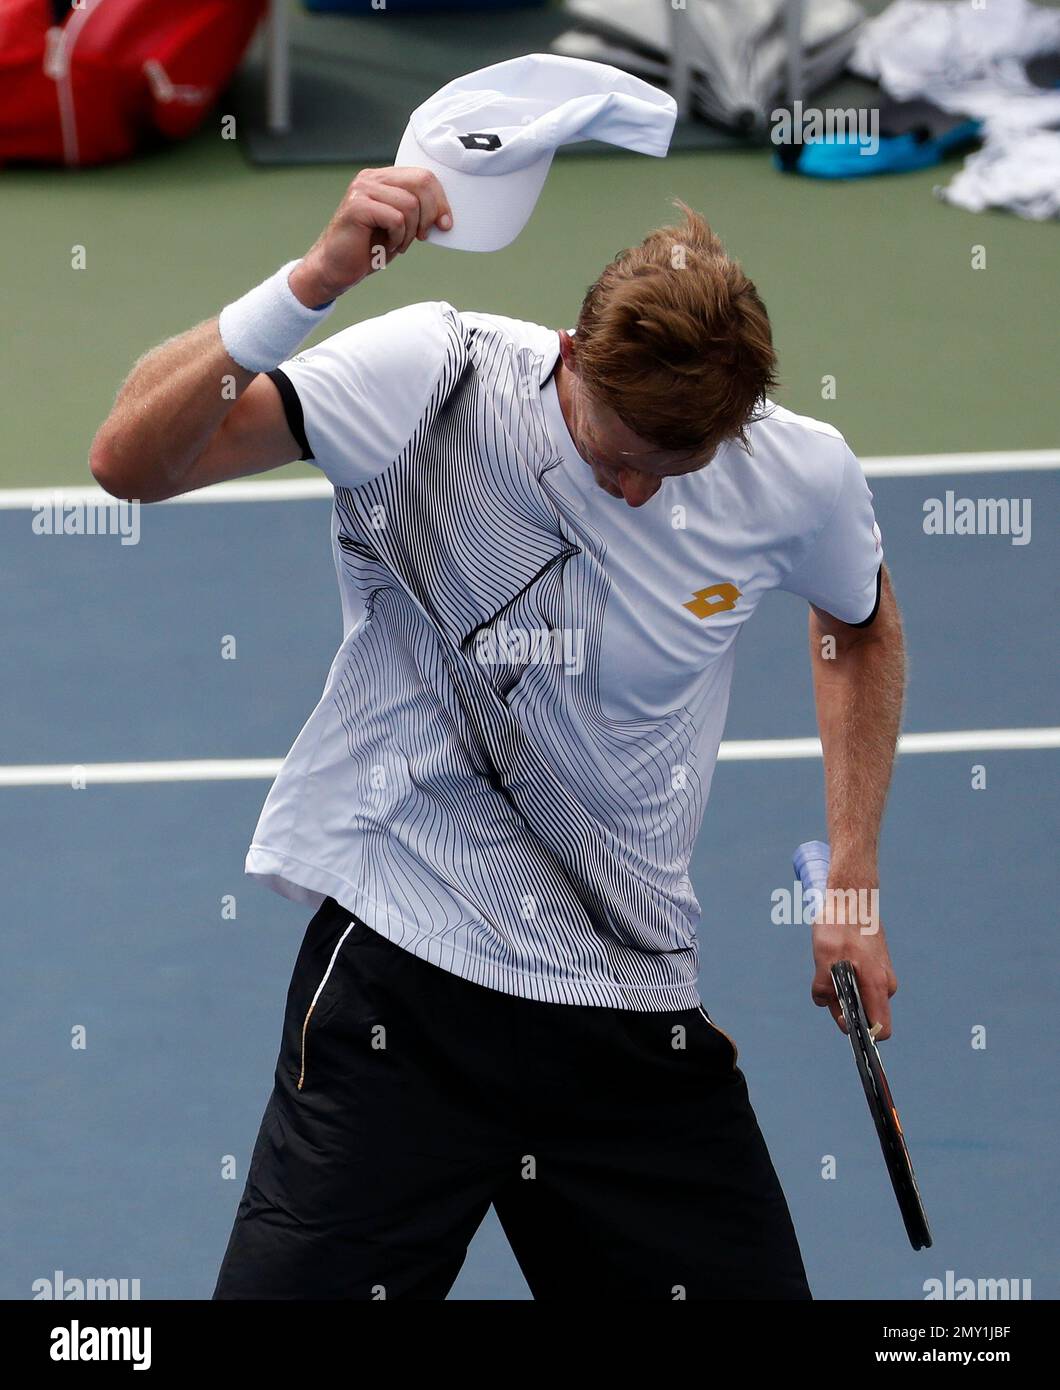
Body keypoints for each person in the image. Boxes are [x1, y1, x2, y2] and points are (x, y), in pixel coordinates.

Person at [90, 165, 904, 1301]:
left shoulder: (793, 473)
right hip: (407, 983)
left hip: (626, 999)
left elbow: (858, 626)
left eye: (668, 476)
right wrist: (314, 282)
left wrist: (851, 884)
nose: (630, 495)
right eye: (612, 457)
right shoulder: (437, 371)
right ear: (569, 355)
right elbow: (129, 459)